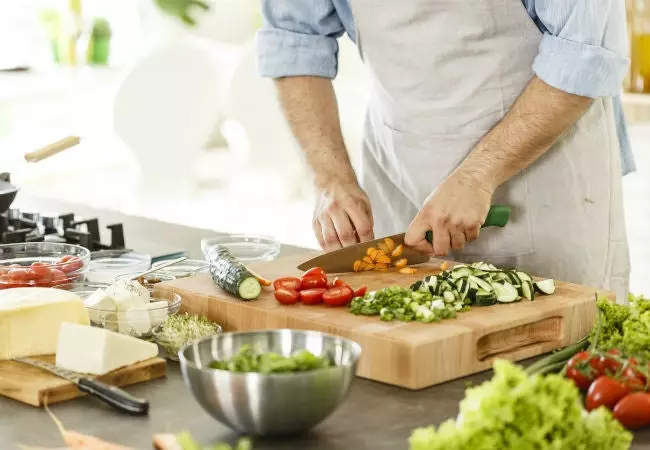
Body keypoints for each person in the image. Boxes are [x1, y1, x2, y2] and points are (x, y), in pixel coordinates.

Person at [256, 0, 635, 303]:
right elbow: (294, 38)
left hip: (544, 181)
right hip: (398, 180)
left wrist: (476, 176)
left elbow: (584, 55)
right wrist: (330, 178)